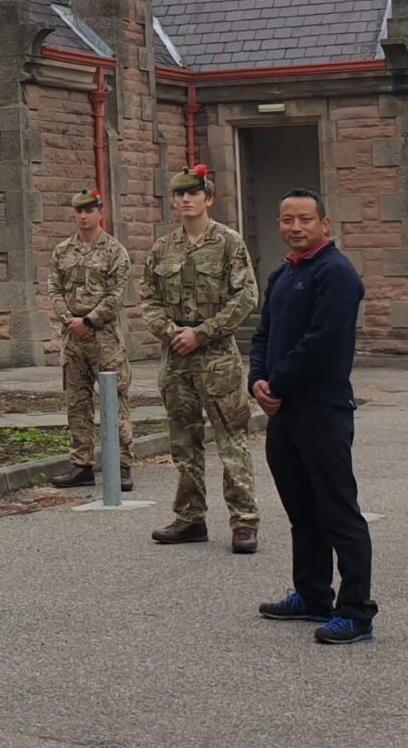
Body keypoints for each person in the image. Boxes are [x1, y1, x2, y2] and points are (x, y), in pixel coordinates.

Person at [250, 188, 377, 645]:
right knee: (302, 510)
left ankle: (357, 610)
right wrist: (258, 381)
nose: (296, 227)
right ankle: (312, 593)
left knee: (338, 511)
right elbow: (262, 334)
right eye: (287, 220)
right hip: (283, 413)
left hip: (322, 411)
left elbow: (322, 344)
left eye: (305, 219)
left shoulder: (337, 274)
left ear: (325, 224)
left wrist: (277, 385)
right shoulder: (283, 274)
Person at [141, 164, 261, 553]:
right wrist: (171, 331)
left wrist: (203, 332)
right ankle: (190, 517)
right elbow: (149, 299)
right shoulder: (163, 248)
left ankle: (244, 521)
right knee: (184, 440)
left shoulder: (229, 243)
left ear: (208, 198)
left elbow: (245, 297)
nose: (186, 200)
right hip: (176, 355)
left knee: (231, 440)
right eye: (180, 194)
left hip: (217, 355)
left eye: (193, 193)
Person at [47, 188, 135, 490]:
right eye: (79, 211)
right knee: (77, 402)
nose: (83, 217)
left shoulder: (114, 251)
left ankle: (121, 464)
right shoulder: (62, 251)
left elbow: (116, 295)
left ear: (101, 213)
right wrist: (69, 320)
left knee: (114, 401)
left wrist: (88, 320)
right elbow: (54, 290)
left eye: (89, 211)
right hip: (73, 338)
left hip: (104, 338)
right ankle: (81, 464)